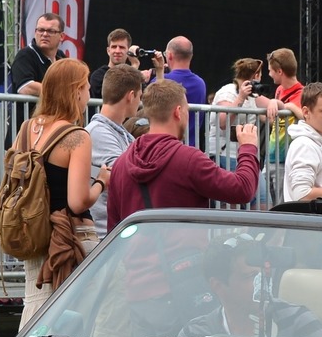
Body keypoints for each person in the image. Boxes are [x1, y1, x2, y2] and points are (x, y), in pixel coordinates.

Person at [10, 58, 101, 329]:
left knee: (36, 305)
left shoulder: (26, 130)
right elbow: (77, 200)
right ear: (74, 90)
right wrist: (102, 184)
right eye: (85, 87)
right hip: (72, 238)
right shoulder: (77, 136)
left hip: (34, 234)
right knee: (91, 314)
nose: (89, 95)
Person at [105, 79, 261, 227]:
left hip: (133, 254)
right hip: (184, 254)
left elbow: (114, 226)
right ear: (178, 112)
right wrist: (247, 148)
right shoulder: (189, 160)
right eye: (187, 110)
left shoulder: (121, 163)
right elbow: (242, 190)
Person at [181, 239, 322, 337]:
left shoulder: (298, 321)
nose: (262, 283)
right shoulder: (196, 334)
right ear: (217, 285)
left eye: (264, 274)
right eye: (250, 276)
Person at [88, 65, 144, 227]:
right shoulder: (98, 133)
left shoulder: (121, 134)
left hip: (115, 231)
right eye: (139, 96)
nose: (140, 103)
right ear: (131, 96)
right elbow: (127, 178)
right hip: (104, 235)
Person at [209, 57, 276, 164]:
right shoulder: (227, 91)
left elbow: (280, 107)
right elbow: (222, 122)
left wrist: (274, 102)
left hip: (245, 154)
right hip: (225, 154)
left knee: (259, 181)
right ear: (256, 76)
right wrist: (240, 98)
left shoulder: (252, 96)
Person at [9, 13, 62, 97]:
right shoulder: (25, 56)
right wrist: (62, 94)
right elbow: (26, 87)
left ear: (61, 36)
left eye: (50, 31)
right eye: (40, 30)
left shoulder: (61, 57)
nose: (44, 34)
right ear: (35, 32)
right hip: (32, 110)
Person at [88, 29, 151, 97]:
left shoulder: (136, 75)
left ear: (128, 51)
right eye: (114, 47)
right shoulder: (98, 76)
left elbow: (146, 99)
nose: (117, 51)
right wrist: (134, 66)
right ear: (108, 51)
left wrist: (160, 69)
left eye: (122, 47)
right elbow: (113, 97)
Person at [161, 36, 207, 107]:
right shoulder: (200, 83)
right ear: (191, 56)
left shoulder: (161, 81)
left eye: (165, 54)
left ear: (170, 55)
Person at [264, 47, 303, 112]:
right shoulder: (279, 89)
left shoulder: (303, 95)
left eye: (270, 70)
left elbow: (307, 119)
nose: (269, 74)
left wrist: (289, 106)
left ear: (279, 72)